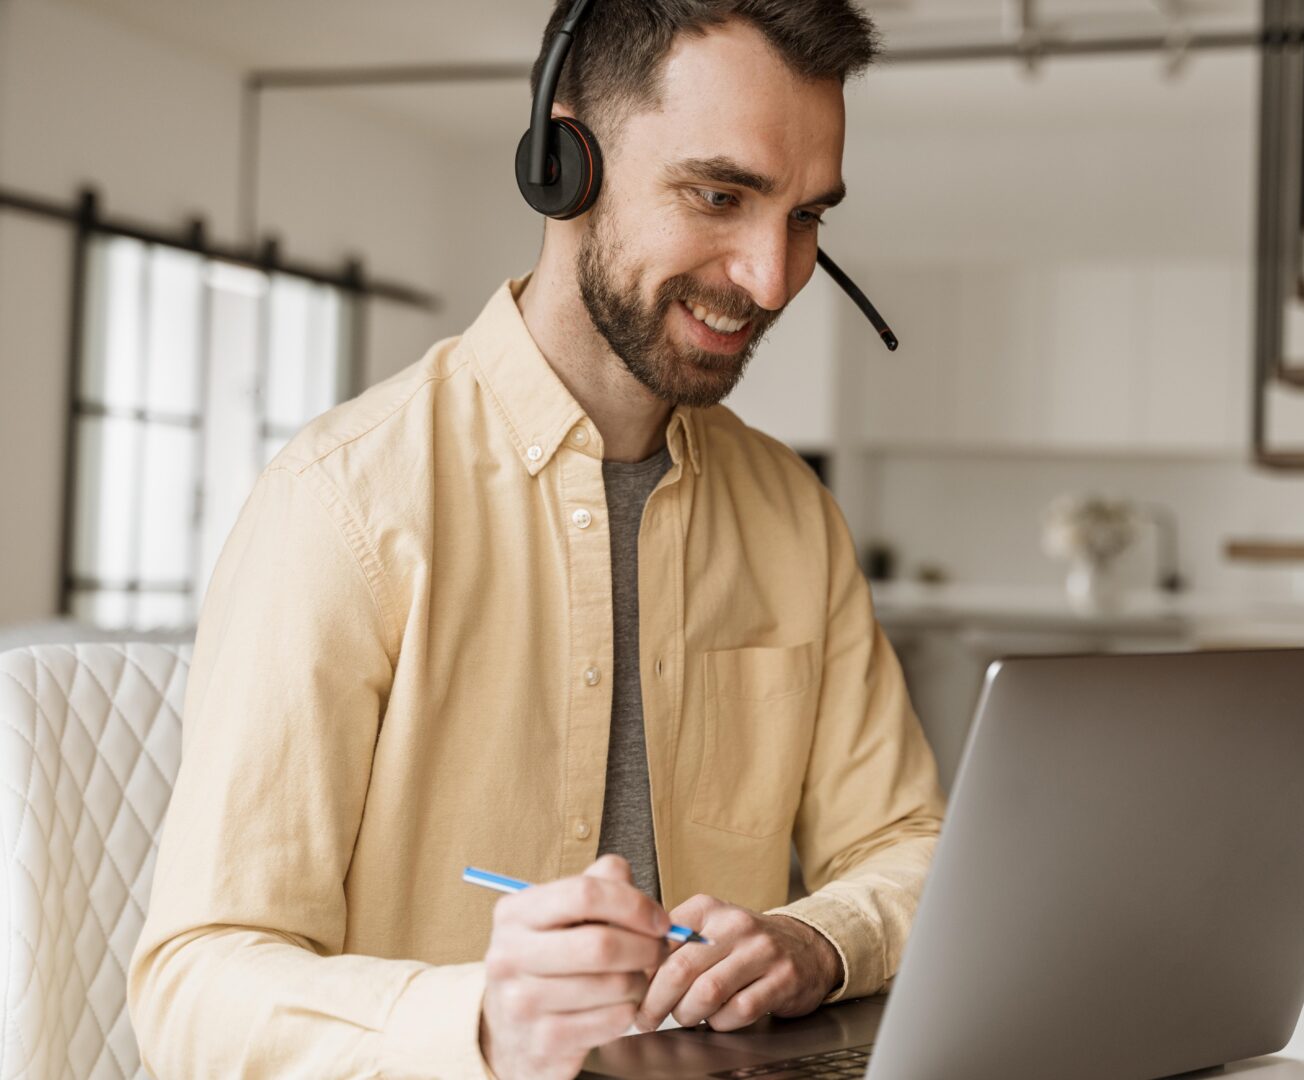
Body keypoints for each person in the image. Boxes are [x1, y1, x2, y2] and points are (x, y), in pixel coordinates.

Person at [126, 1, 945, 1077]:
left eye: (804, 217)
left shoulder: (790, 515)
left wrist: (815, 939)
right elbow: (191, 984)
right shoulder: (342, 503)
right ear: (564, 159)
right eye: (719, 196)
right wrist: (478, 1024)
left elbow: (912, 850)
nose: (770, 275)